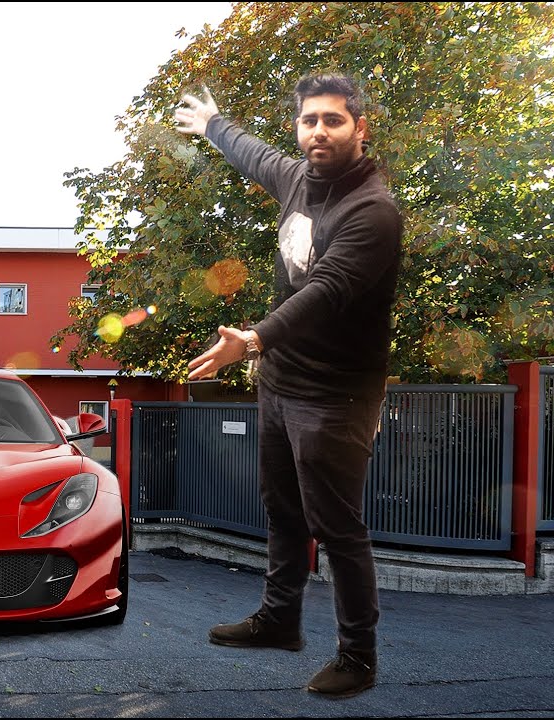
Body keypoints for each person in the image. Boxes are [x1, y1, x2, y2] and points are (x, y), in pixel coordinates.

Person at [174, 74, 402, 698]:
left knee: (337, 526)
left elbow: (325, 291)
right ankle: (280, 620)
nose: (318, 131)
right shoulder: (300, 177)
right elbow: (255, 155)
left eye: (333, 120)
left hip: (336, 395)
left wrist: (249, 341)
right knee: (282, 509)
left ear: (360, 128)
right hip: (280, 382)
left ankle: (358, 657)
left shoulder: (373, 212)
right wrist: (216, 123)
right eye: (309, 121)